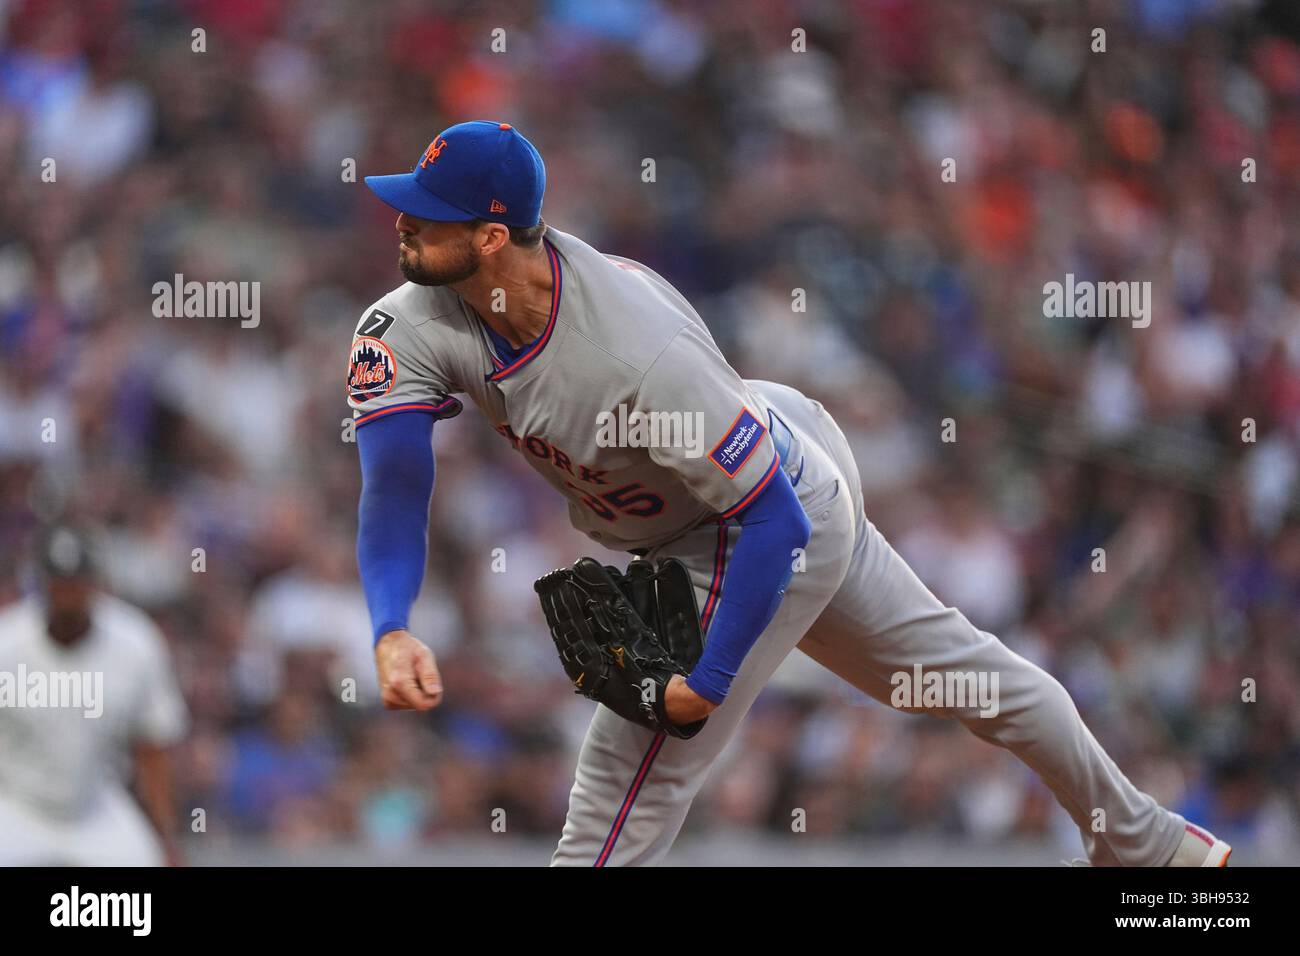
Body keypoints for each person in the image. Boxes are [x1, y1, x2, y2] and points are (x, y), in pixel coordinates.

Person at [349, 120, 1231, 867]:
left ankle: (1146, 843)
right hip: (743, 458)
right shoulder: (412, 321)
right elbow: (393, 483)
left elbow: (773, 521)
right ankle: (1156, 847)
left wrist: (707, 680)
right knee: (955, 678)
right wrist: (391, 625)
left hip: (759, 511)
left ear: (493, 239)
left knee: (627, 774)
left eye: (426, 216)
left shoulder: (635, 354)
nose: (402, 225)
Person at [0, 526, 188, 866]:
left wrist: (165, 835)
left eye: (77, 581)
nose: (68, 594)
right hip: (16, 804)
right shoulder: (6, 645)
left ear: (95, 583)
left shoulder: (134, 642)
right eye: (59, 582)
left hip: (96, 807)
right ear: (41, 584)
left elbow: (152, 746)